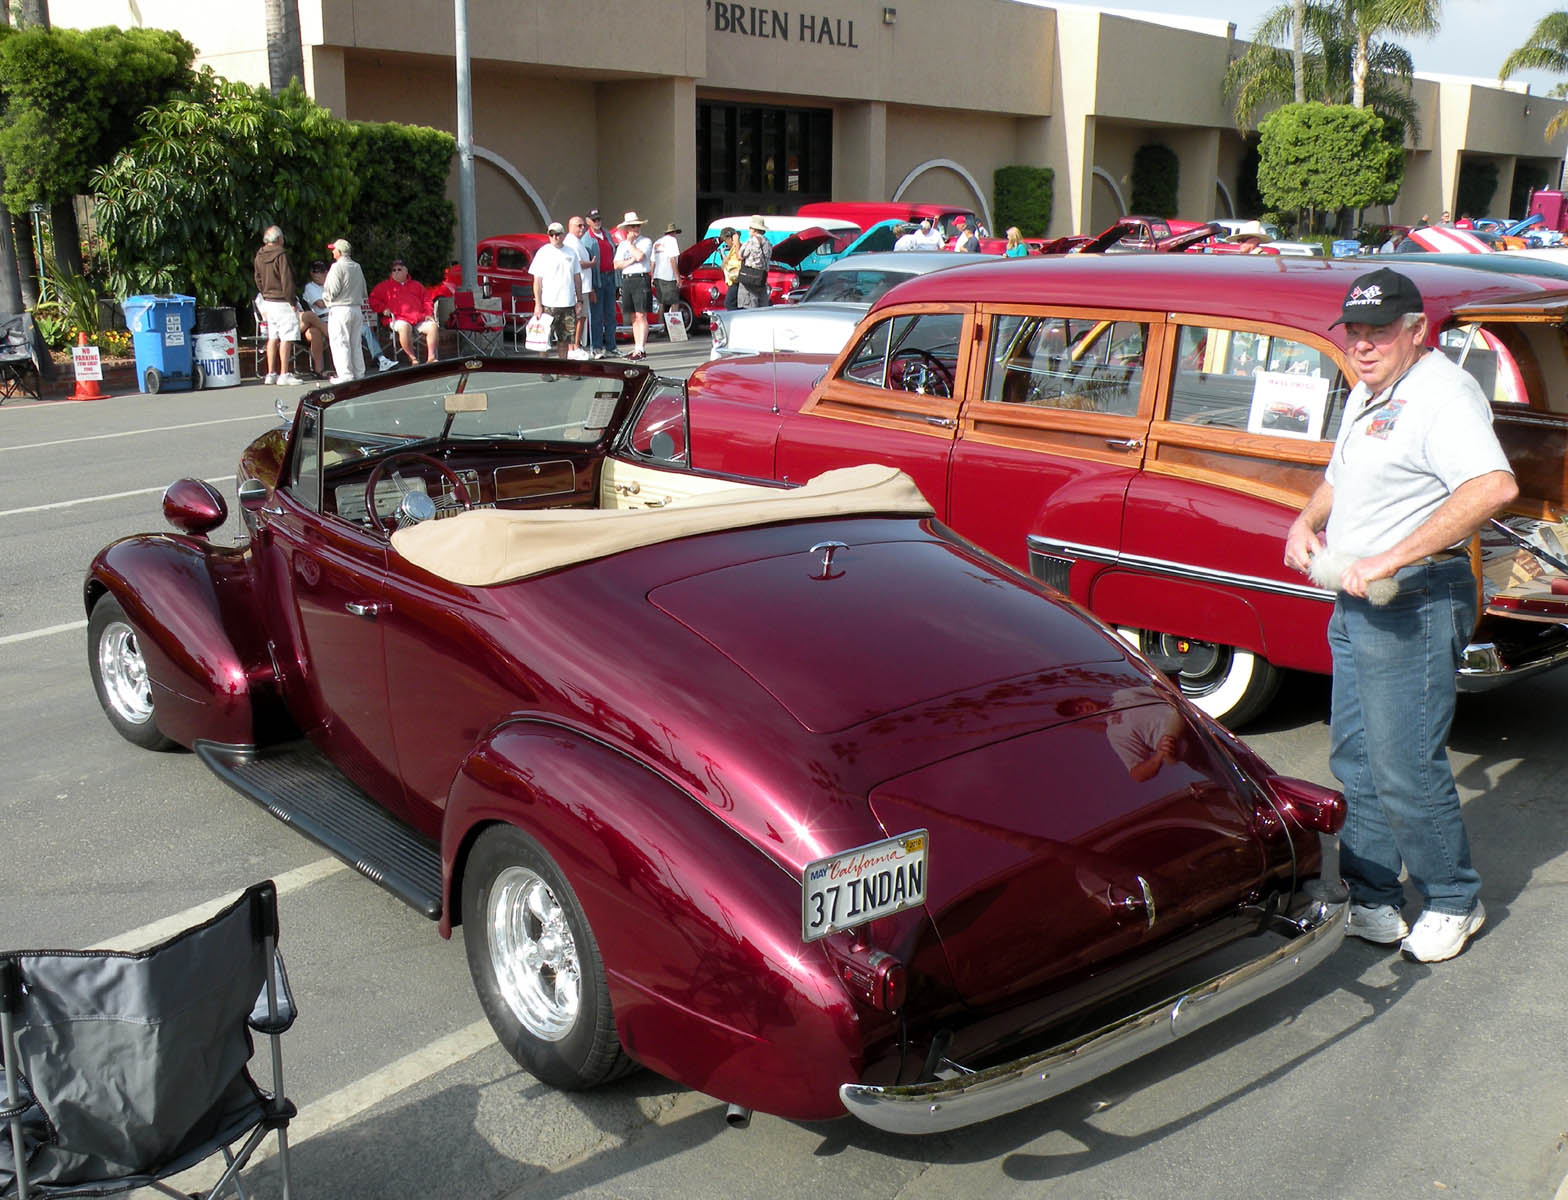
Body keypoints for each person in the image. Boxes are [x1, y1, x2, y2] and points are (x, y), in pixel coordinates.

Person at [1282, 267, 1517, 963]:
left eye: (1379, 331)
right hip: (1358, 596)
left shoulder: (1444, 395)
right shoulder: (1370, 389)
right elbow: (1342, 475)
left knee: (1404, 764)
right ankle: (1374, 896)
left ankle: (1453, 899)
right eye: (1354, 331)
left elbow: (1492, 487)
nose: (1362, 344)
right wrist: (1306, 520)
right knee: (1356, 755)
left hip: (1413, 595)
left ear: (1417, 331)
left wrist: (1389, 558)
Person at [253, 225, 302, 386]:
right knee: (286, 337)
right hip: (282, 301)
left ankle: (271, 373)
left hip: (268, 301)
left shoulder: (259, 255)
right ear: (279, 239)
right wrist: (292, 301)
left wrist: (265, 293)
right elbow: (287, 280)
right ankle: (284, 373)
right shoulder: (281, 254)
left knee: (272, 337)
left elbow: (257, 278)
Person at [368, 259, 440, 366]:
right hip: (397, 319)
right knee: (405, 327)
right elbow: (372, 300)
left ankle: (431, 357)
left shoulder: (417, 285)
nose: (396, 272)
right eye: (394, 270)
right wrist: (383, 309)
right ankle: (412, 358)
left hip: (418, 318)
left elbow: (427, 301)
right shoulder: (383, 286)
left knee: (433, 326)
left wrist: (428, 313)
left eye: (399, 269)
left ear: (406, 271)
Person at [320, 237, 368, 383]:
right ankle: (359, 373)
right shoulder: (357, 266)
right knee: (355, 343)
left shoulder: (337, 267)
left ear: (340, 252)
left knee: (340, 342)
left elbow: (332, 290)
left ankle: (345, 375)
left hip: (340, 308)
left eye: (334, 250)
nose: (333, 252)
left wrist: (326, 298)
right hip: (356, 308)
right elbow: (364, 291)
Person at [530, 220, 579, 359]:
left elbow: (577, 277)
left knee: (565, 341)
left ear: (563, 235)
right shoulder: (543, 252)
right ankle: (544, 368)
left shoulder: (571, 252)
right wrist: (538, 304)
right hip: (548, 305)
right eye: (551, 235)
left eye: (557, 234)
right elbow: (537, 281)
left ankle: (562, 367)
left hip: (568, 304)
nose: (555, 237)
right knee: (544, 341)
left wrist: (579, 300)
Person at [613, 211, 653, 358]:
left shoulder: (645, 241)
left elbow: (640, 256)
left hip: (640, 278)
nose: (635, 229)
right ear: (627, 229)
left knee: (641, 314)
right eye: (632, 226)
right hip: (627, 279)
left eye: (637, 226)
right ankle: (637, 347)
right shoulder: (622, 245)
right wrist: (630, 261)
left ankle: (641, 348)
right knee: (632, 316)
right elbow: (616, 264)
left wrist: (630, 244)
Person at [583, 209, 618, 357]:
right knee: (596, 315)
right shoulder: (586, 239)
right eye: (594, 220)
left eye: (598, 219)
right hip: (597, 279)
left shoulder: (606, 234)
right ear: (588, 221)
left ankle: (611, 347)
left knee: (611, 314)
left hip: (610, 277)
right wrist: (590, 286)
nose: (597, 222)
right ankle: (596, 347)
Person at [563, 215, 594, 357]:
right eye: (579, 226)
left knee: (581, 317)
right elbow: (578, 263)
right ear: (570, 227)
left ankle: (576, 346)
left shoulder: (578, 242)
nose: (582, 228)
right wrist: (592, 264)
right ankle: (573, 347)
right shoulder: (570, 242)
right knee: (576, 317)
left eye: (583, 225)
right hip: (576, 287)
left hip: (585, 286)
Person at [735, 215, 772, 309]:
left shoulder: (751, 241)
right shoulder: (767, 242)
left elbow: (739, 256)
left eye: (750, 228)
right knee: (762, 306)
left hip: (749, 278)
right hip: (761, 278)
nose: (749, 230)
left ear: (754, 230)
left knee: (748, 306)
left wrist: (736, 243)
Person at [651, 222, 682, 317]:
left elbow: (652, 261)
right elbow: (672, 259)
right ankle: (674, 324)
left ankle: (661, 324)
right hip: (669, 277)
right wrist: (678, 277)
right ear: (674, 232)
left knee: (661, 302)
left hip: (657, 276)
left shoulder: (657, 243)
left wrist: (652, 277)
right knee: (675, 302)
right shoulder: (672, 241)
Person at [719, 227, 743, 308]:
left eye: (725, 240)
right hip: (732, 280)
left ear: (730, 238)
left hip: (737, 281)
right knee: (731, 303)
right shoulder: (732, 250)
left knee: (729, 303)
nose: (725, 243)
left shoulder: (738, 247)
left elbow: (739, 257)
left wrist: (736, 242)